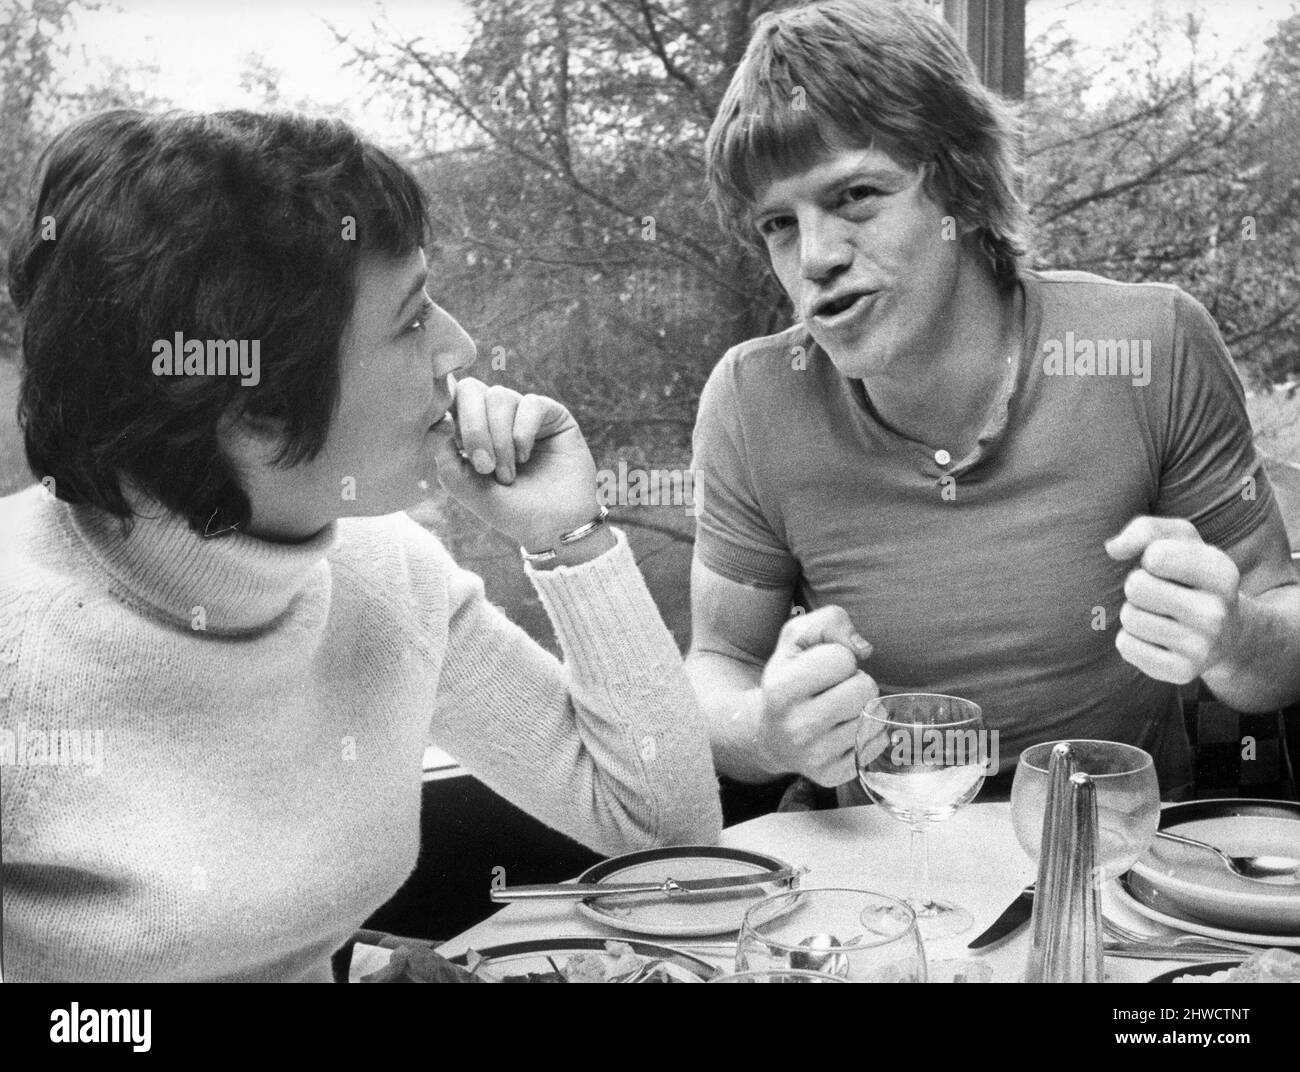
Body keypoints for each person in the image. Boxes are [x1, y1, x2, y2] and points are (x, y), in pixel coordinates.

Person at [0, 109, 722, 982]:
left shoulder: (387, 575)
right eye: (413, 319)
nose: (458, 346)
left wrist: (570, 542)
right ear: (252, 413)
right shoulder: (17, 650)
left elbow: (665, 834)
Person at [685, 0, 1300, 804]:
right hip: (882, 875)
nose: (817, 257)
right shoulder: (750, 399)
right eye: (778, 223)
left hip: (1115, 866)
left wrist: (1236, 637)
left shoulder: (1154, 345)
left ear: (962, 188)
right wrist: (766, 731)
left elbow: (1279, 637)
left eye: (858, 195)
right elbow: (716, 666)